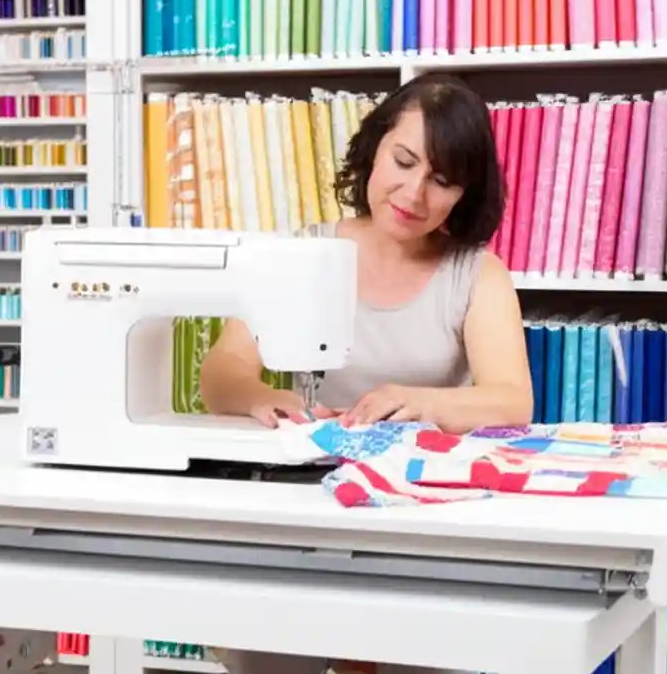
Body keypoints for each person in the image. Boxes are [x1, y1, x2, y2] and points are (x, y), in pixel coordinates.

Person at [198, 74, 535, 674]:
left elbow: (512, 401)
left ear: (464, 193)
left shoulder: (476, 274)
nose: (414, 193)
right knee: (262, 652)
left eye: (442, 180)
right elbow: (222, 371)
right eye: (403, 162)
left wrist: (420, 402)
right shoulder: (302, 255)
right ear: (374, 147)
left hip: (424, 529)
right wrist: (260, 395)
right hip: (303, 520)